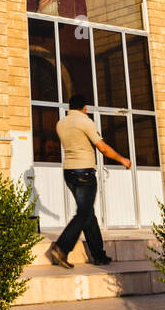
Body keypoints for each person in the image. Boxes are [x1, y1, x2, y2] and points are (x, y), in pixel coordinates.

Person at [45, 94, 131, 268]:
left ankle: (99, 255)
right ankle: (61, 247)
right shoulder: (85, 122)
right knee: (84, 214)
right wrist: (122, 159)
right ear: (84, 108)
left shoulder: (60, 123)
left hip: (68, 172)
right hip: (84, 172)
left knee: (88, 214)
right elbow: (102, 148)